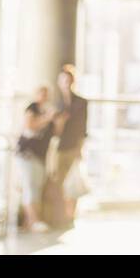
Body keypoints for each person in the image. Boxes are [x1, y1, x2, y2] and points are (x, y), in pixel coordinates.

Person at [50, 64, 88, 225]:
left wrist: (80, 148)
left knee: (73, 183)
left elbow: (82, 127)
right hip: (59, 149)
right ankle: (60, 217)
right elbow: (54, 131)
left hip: (73, 147)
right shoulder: (56, 105)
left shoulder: (81, 102)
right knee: (59, 183)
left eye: (68, 79)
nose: (65, 83)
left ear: (73, 81)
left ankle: (71, 217)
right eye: (63, 80)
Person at [16, 85, 53, 232]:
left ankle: (29, 221)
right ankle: (34, 220)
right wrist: (46, 119)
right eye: (41, 93)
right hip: (27, 154)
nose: (44, 96)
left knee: (36, 187)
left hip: (39, 156)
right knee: (30, 187)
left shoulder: (47, 111)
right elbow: (29, 126)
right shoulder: (32, 108)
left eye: (46, 94)